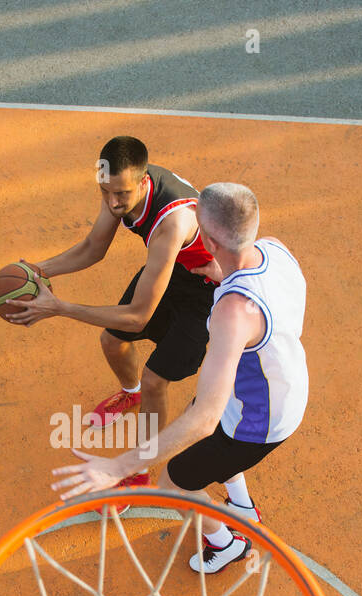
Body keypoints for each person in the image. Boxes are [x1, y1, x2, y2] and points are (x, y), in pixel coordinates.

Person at [50, 182, 308, 573]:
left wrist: (116, 467)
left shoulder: (233, 314)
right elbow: (257, 292)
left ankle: (226, 543)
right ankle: (240, 504)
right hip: (276, 384)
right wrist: (222, 272)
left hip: (257, 421)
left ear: (206, 238)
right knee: (209, 445)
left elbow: (205, 419)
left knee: (174, 485)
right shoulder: (275, 249)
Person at [5, 136, 217, 485]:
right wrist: (38, 270)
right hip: (171, 269)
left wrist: (61, 307)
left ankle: (139, 467)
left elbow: (138, 316)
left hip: (206, 293)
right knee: (112, 342)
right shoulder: (118, 187)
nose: (112, 202)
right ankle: (129, 393)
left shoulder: (172, 222)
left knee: (155, 380)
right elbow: (93, 247)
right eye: (105, 192)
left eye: (121, 195)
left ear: (143, 182)